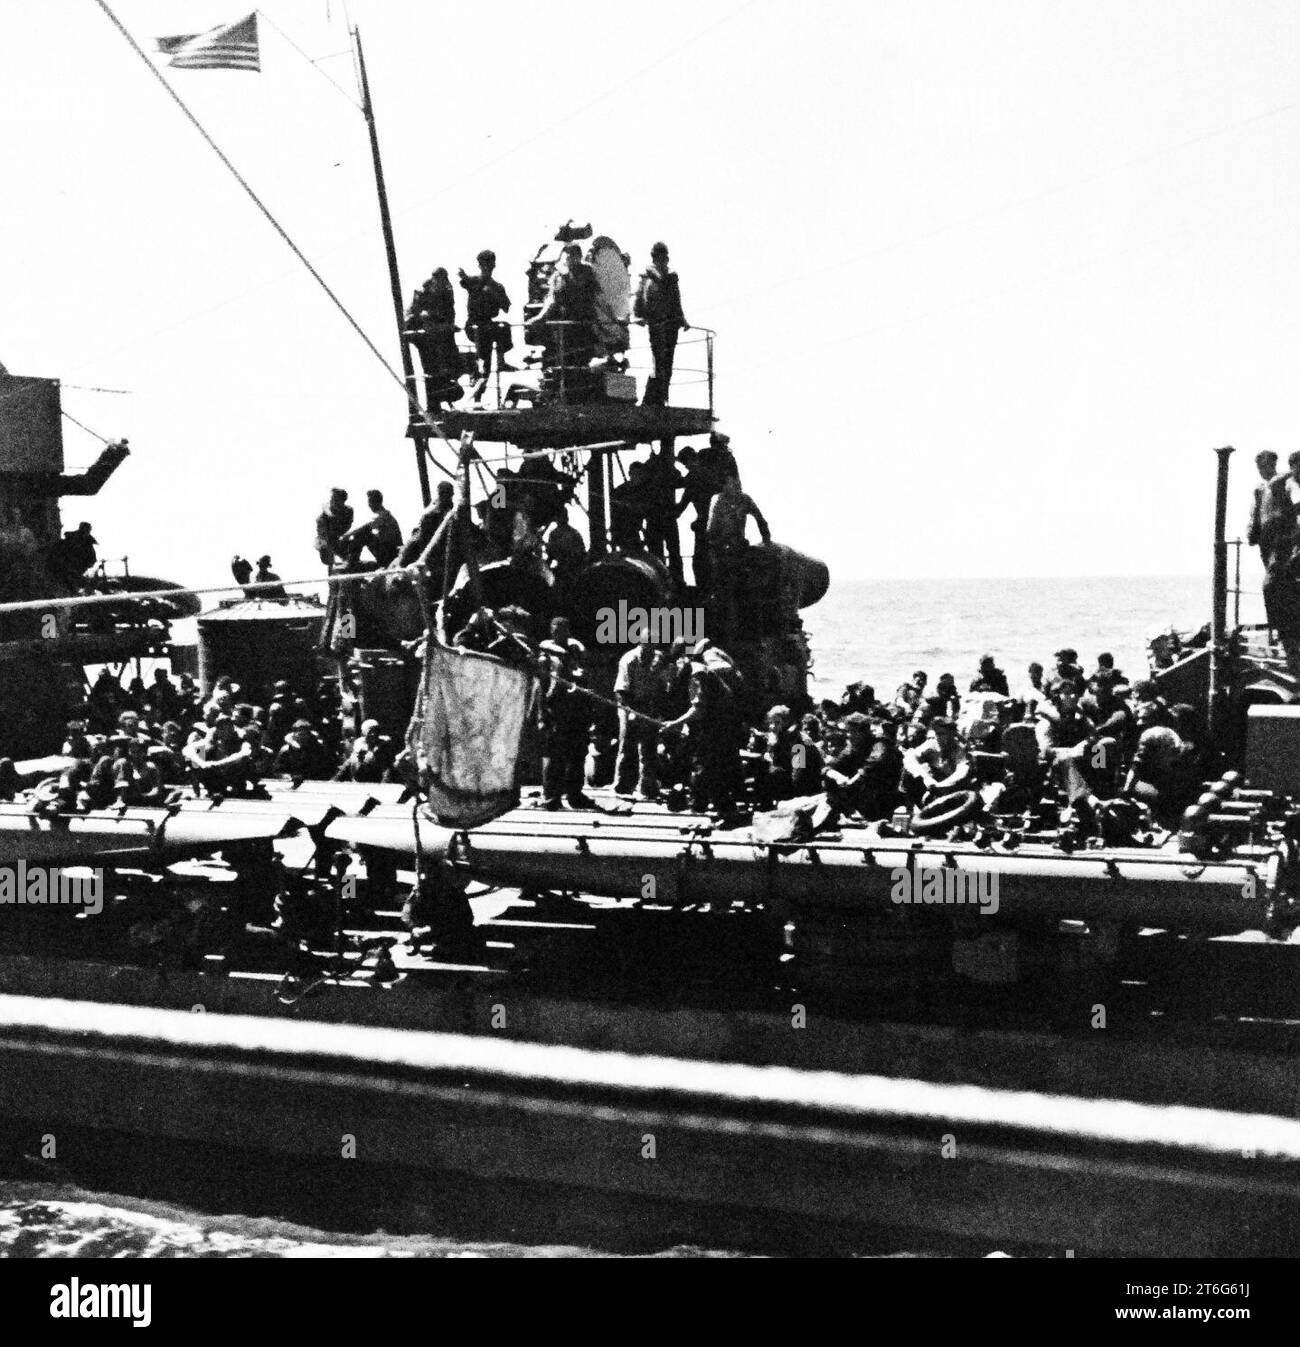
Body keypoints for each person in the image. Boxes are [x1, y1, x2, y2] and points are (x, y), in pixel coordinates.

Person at [538, 617, 593, 810]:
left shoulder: (575, 650)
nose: (559, 634)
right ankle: (551, 797)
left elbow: (584, 675)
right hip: (556, 709)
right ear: (551, 632)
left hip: (576, 709)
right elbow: (541, 686)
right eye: (556, 631)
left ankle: (574, 794)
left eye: (563, 630)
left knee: (578, 753)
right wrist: (542, 713)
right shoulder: (546, 654)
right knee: (555, 755)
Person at [634, 242, 688, 406]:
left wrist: (682, 319)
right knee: (660, 361)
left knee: (666, 362)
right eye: (660, 258)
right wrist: (640, 316)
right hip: (657, 324)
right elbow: (640, 299)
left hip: (669, 324)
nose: (663, 261)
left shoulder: (670, 277)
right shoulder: (648, 277)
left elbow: (676, 301)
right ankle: (660, 397)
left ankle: (662, 396)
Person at [459, 250, 515, 406]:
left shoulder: (497, 286)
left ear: (493, 265)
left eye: (489, 264)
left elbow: (506, 307)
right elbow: (464, 282)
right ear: (479, 265)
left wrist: (494, 294)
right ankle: (476, 381)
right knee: (483, 360)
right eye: (484, 264)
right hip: (474, 325)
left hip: (488, 325)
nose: (487, 267)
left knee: (503, 328)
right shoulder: (474, 282)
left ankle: (500, 362)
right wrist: (464, 276)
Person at [613, 636, 663, 799]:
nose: (651, 651)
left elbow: (661, 685)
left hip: (650, 706)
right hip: (630, 705)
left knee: (649, 747)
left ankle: (647, 787)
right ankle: (622, 787)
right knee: (627, 746)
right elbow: (621, 690)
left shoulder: (658, 658)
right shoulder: (629, 659)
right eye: (648, 646)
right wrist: (630, 711)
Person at [405, 268, 462, 410]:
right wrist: (428, 319)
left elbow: (450, 312)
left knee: (450, 361)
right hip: (421, 333)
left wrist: (448, 326)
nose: (442, 284)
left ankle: (446, 394)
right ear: (434, 280)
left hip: (439, 332)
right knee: (431, 368)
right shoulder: (422, 291)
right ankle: (434, 404)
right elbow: (414, 313)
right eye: (439, 281)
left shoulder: (447, 291)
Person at [902, 717, 970, 803]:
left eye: (942, 734)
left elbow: (962, 771)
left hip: (949, 787)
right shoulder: (932, 744)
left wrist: (939, 786)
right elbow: (909, 758)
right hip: (931, 783)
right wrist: (926, 778)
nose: (938, 737)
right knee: (909, 772)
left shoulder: (958, 749)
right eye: (936, 733)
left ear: (952, 734)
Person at [397, 480, 456, 568]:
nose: (446, 496)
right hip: (422, 552)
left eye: (448, 493)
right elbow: (423, 540)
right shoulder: (432, 514)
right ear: (439, 494)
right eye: (443, 493)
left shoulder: (449, 510)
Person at [341, 490, 403, 568]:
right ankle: (352, 560)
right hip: (389, 552)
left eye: (370, 502)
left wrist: (345, 536)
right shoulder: (384, 514)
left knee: (362, 534)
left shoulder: (384, 516)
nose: (369, 505)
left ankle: (352, 562)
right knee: (364, 533)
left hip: (391, 555)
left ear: (376, 502)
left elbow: (365, 526)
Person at [1247, 450, 1281, 567]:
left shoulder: (1283, 484)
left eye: (1263, 466)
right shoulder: (1259, 490)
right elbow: (1255, 514)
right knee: (1270, 568)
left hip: (1280, 536)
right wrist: (1251, 532)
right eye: (1259, 467)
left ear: (1273, 464)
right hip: (1265, 538)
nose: (1261, 470)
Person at [315, 488, 354, 569]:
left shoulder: (348, 510)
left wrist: (331, 515)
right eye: (332, 499)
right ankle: (332, 565)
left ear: (342, 501)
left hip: (340, 537)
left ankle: (347, 562)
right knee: (326, 550)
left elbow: (347, 526)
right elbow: (321, 529)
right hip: (326, 539)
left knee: (347, 548)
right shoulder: (325, 513)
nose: (332, 501)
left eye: (335, 499)